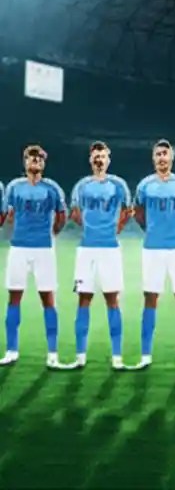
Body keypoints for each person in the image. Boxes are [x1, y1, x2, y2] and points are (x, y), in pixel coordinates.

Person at [133, 140, 175, 372]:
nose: (162, 158)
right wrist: (151, 230)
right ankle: (146, 354)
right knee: (150, 299)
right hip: (152, 249)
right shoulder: (145, 185)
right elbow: (138, 212)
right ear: (153, 158)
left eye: (165, 154)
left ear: (172, 158)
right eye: (158, 154)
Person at [0, 146, 67, 369]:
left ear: (43, 164)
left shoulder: (52, 188)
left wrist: (52, 234)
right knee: (14, 297)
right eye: (31, 157)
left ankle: (52, 353)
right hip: (19, 248)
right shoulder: (14, 188)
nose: (35, 161)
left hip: (43, 250)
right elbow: (7, 214)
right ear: (25, 161)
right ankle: (11, 350)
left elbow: (61, 215)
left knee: (48, 298)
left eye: (39, 158)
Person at [68, 141, 131, 370]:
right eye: (95, 156)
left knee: (112, 300)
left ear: (108, 159)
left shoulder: (118, 185)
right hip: (86, 250)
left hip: (110, 249)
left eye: (102, 156)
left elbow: (127, 210)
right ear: (90, 159)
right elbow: (74, 212)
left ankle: (117, 357)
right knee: (84, 299)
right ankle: (80, 355)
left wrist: (115, 228)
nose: (99, 159)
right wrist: (90, 228)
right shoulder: (82, 186)